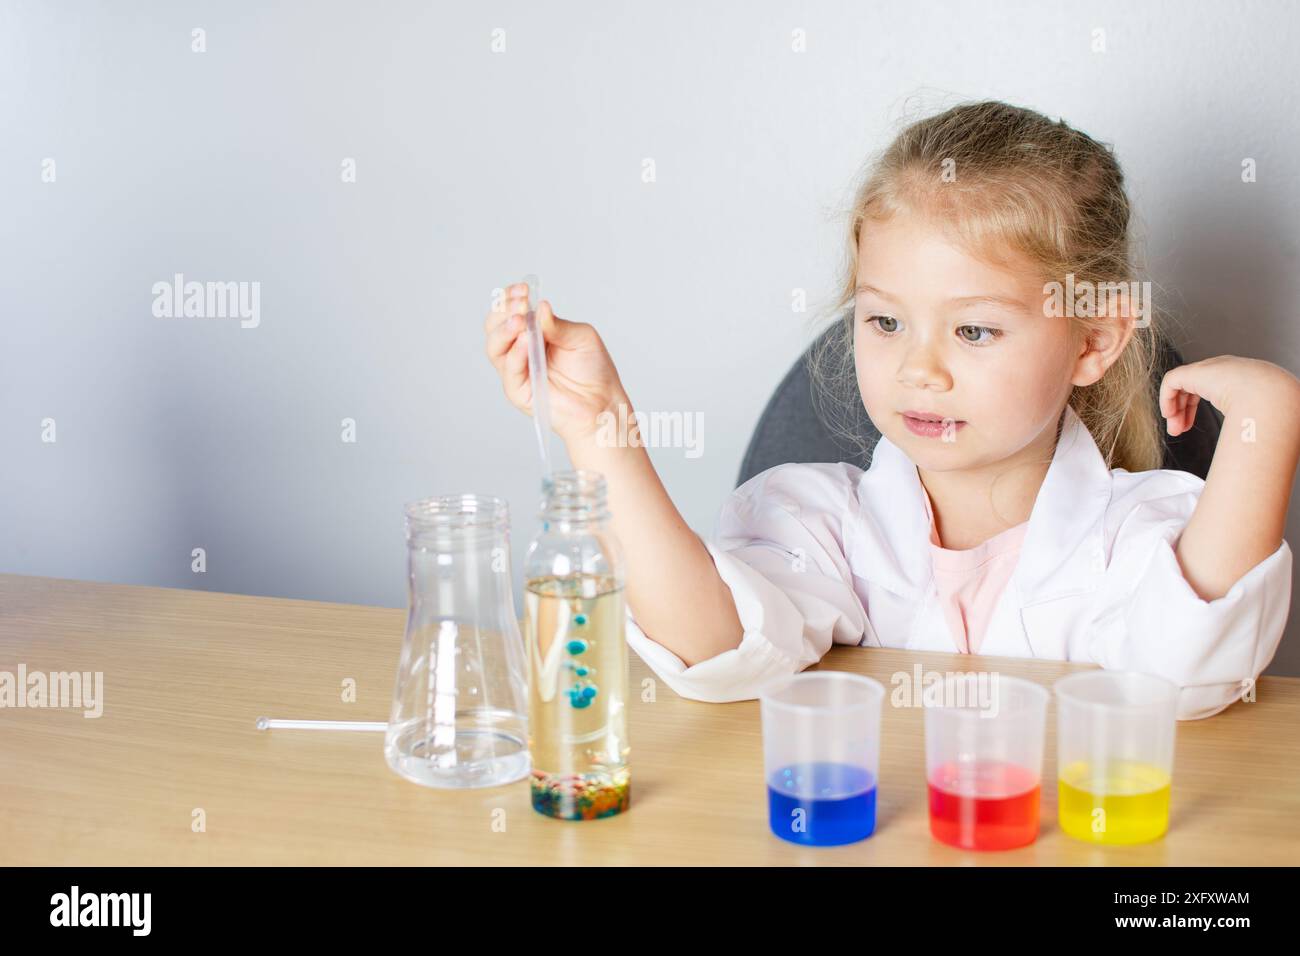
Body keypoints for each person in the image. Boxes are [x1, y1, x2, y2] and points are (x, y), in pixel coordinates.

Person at [483, 100, 1299, 720]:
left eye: (974, 329)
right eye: (884, 321)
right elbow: (714, 645)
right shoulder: (820, 519)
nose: (919, 368)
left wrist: (1268, 429)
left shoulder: (1142, 535)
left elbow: (1191, 676)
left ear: (1093, 341)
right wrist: (601, 428)